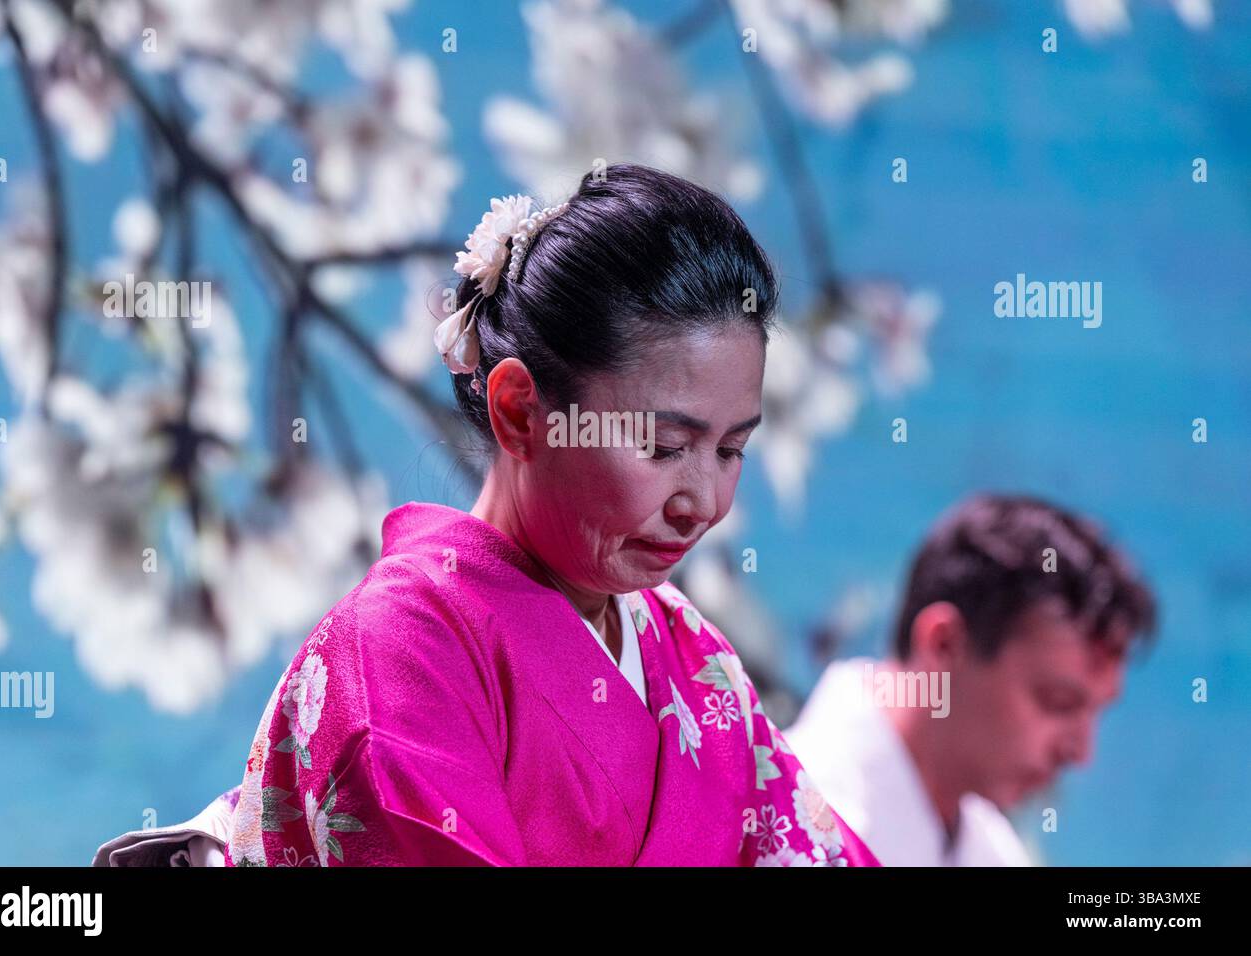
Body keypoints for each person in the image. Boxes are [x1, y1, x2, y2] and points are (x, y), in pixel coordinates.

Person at [220, 163, 879, 866]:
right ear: (520, 412)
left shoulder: (697, 660)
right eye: (661, 445)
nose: (704, 504)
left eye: (731, 449)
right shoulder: (402, 652)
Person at [785, 494, 1157, 866]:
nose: (1080, 752)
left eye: (1096, 711)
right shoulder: (793, 831)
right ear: (944, 645)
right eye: (1057, 701)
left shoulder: (988, 847)